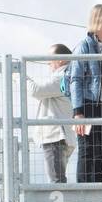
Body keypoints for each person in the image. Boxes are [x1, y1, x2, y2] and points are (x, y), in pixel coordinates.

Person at [69, 3, 102, 184]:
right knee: (87, 151)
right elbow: (76, 80)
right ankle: (84, 196)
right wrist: (78, 112)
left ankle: (96, 193)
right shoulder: (84, 46)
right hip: (88, 106)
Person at [27, 43, 76, 184]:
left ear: (60, 59)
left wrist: (19, 75)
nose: (48, 64)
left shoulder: (62, 75)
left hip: (56, 136)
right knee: (57, 178)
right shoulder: (68, 74)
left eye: (50, 60)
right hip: (61, 135)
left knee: (56, 181)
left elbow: (36, 90)